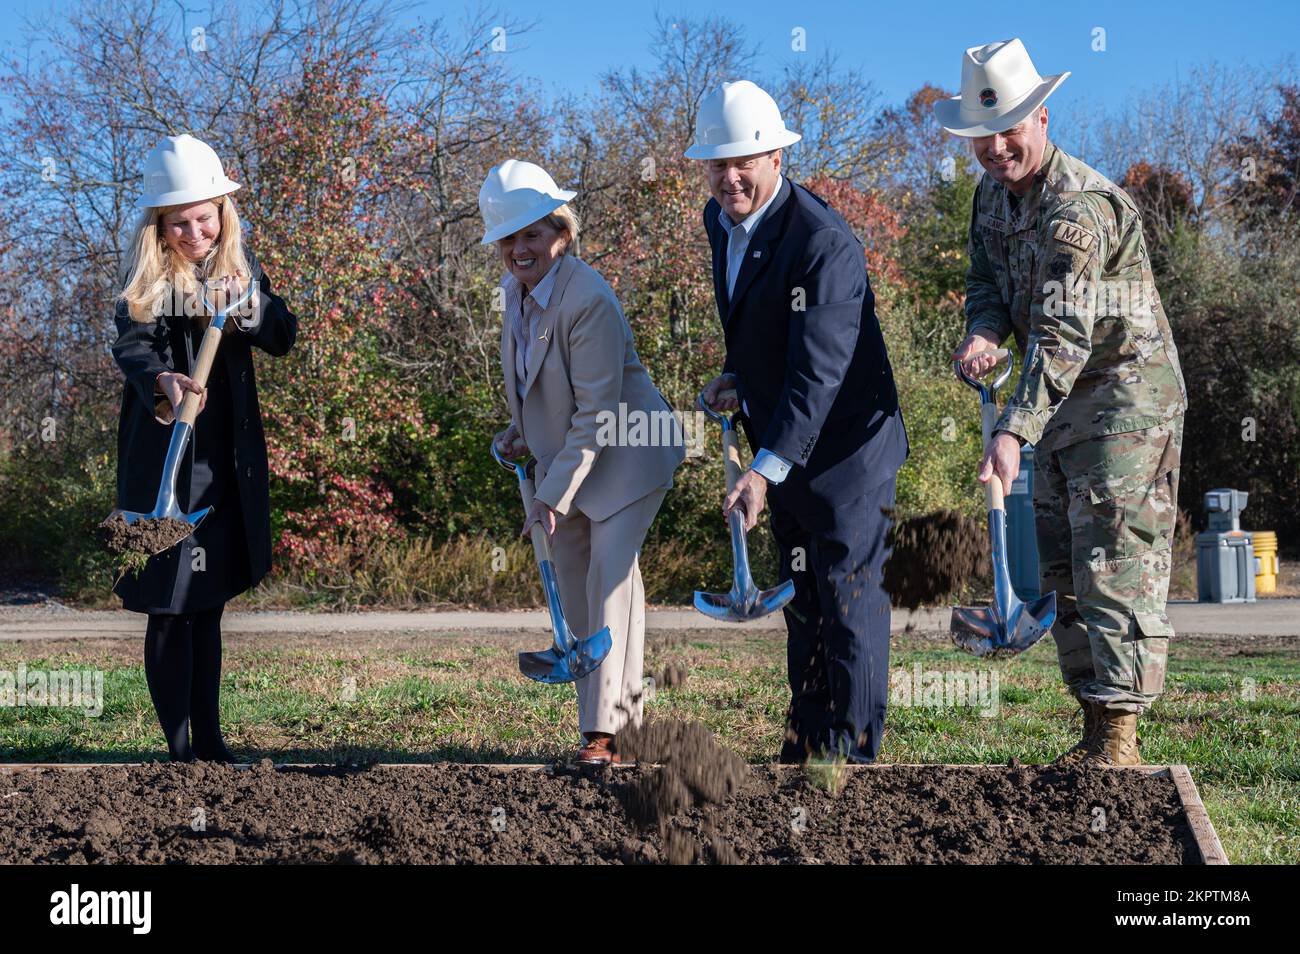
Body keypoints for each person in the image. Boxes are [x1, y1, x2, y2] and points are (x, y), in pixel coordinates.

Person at [939, 39, 1187, 765]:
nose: (995, 147)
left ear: (1042, 118)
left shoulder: (1080, 210)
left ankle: (1121, 736)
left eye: (1009, 129)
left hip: (1122, 400)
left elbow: (1059, 336)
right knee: (1060, 567)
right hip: (1054, 405)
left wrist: (1012, 432)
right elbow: (986, 283)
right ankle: (1092, 727)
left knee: (1112, 559)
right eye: (981, 136)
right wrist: (983, 333)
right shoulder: (991, 195)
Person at [690, 81, 909, 764]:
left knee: (850, 601)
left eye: (746, 160)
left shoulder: (823, 244)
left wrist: (762, 468)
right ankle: (810, 743)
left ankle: (858, 757)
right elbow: (759, 328)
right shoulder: (718, 219)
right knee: (804, 599)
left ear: (778, 156)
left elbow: (820, 372)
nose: (730, 176)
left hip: (849, 452)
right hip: (781, 446)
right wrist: (740, 380)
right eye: (718, 163)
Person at [481, 160, 684, 764]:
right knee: (575, 584)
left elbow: (598, 410)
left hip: (628, 453)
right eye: (510, 238)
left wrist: (549, 496)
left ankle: (605, 736)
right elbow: (541, 384)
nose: (521, 249)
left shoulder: (587, 298)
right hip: (568, 460)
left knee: (608, 581)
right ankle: (625, 722)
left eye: (533, 234)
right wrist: (521, 433)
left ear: (561, 234)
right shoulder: (515, 298)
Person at [110, 134, 298, 762]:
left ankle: (210, 743)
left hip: (221, 463)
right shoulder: (148, 282)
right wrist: (163, 381)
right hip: (165, 456)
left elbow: (282, 333)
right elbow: (133, 347)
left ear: (222, 210)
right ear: (159, 226)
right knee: (169, 606)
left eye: (204, 216)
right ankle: (179, 748)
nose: (195, 231)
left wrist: (242, 307)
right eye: (178, 222)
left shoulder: (238, 273)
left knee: (207, 603)